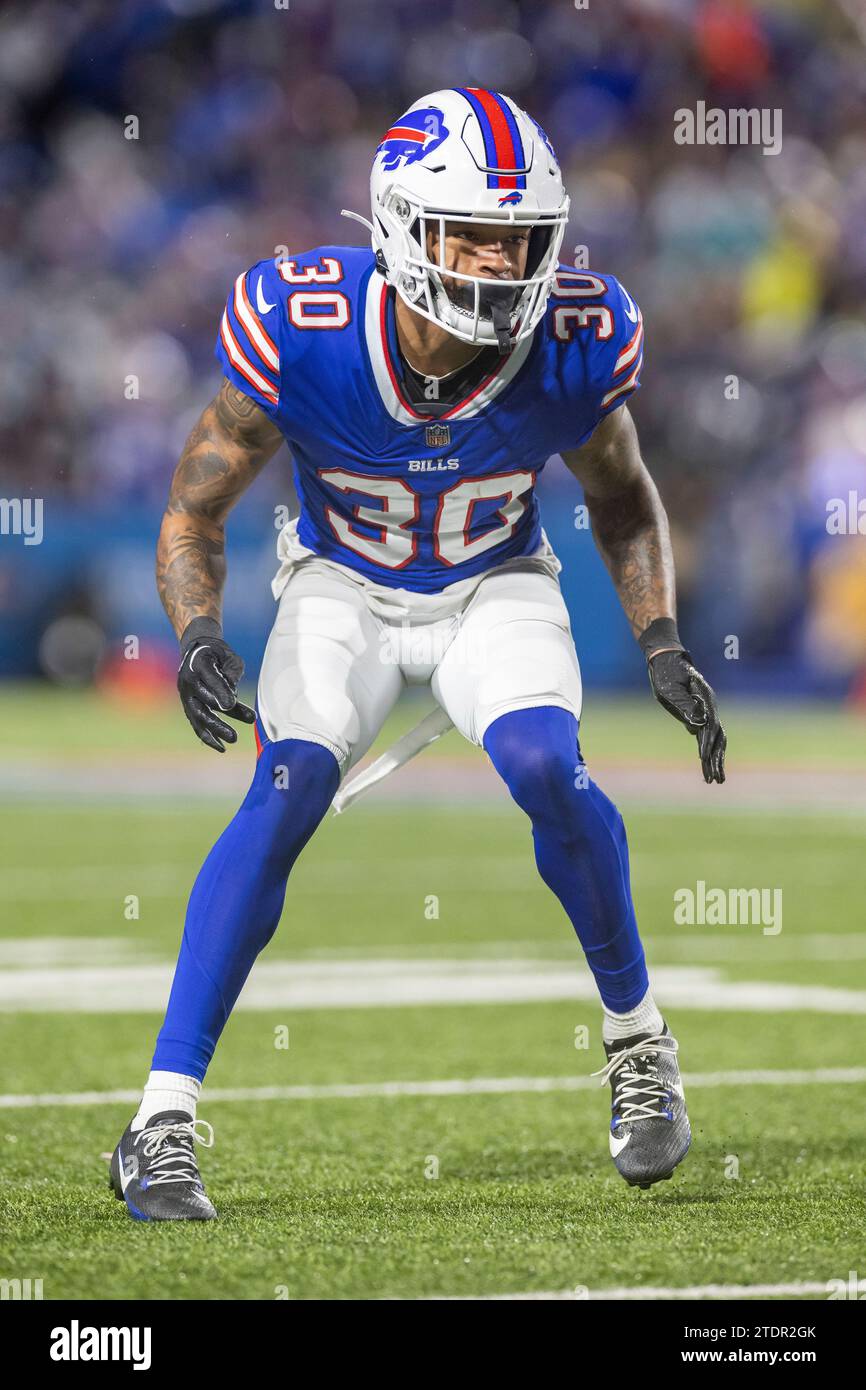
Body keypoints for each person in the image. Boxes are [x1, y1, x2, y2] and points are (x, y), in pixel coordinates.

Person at [108, 88, 725, 1221]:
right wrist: (197, 632)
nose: (499, 258)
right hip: (341, 583)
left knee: (547, 764)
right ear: (398, 221)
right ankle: (161, 1119)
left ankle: (637, 1040)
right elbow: (194, 509)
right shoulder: (303, 325)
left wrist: (663, 641)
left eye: (518, 236)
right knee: (285, 786)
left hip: (494, 581)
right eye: (471, 231)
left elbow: (625, 500)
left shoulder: (578, 343)